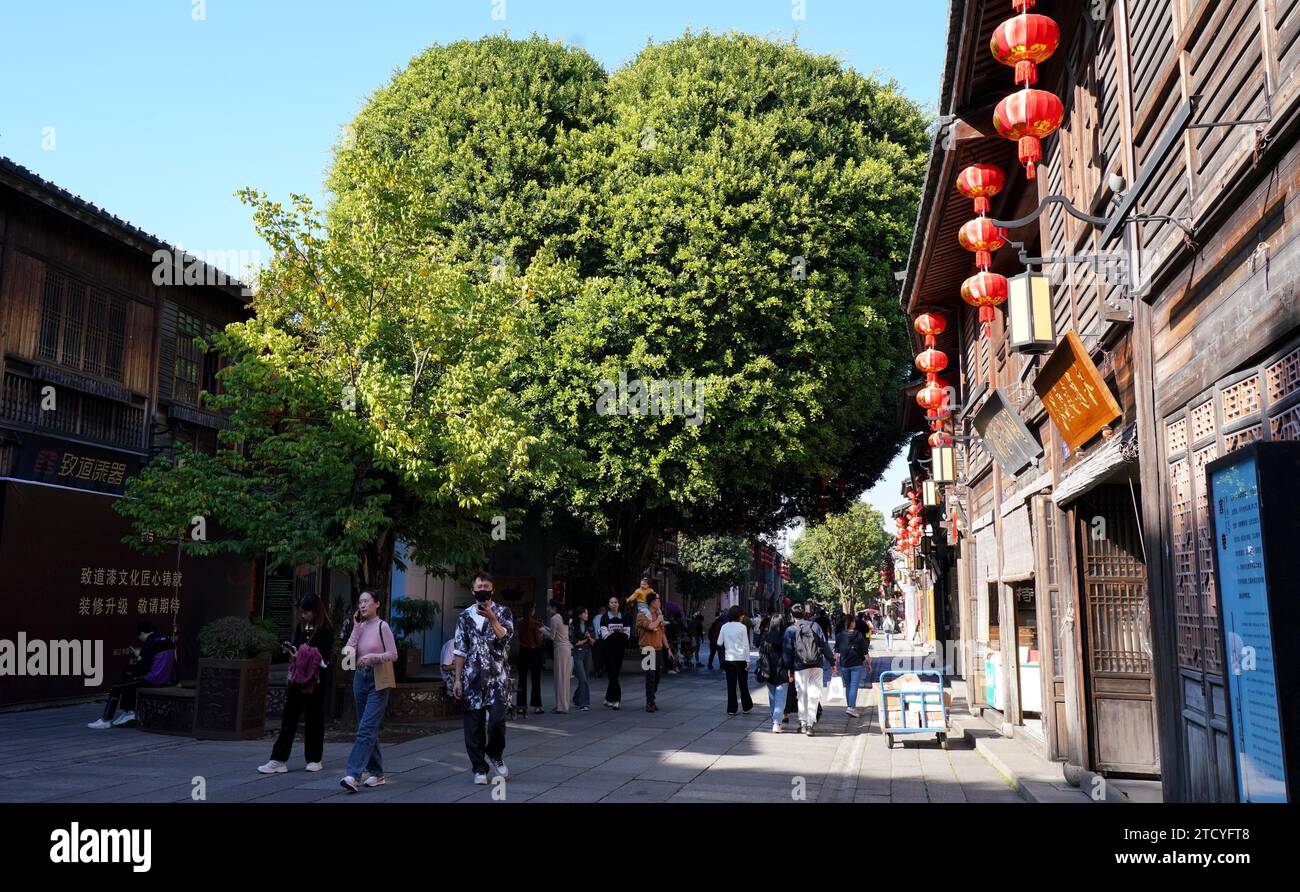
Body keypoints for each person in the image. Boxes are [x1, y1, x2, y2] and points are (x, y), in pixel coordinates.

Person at [452, 571, 515, 785]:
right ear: (472, 591)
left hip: (498, 676)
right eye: (479, 587)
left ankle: (495, 754)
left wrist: (493, 618)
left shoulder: (503, 611)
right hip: (472, 677)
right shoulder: (464, 617)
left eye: (486, 587)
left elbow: (506, 638)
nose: (482, 591)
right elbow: (460, 650)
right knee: (473, 725)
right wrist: (458, 679)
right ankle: (479, 767)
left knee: (497, 720)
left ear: (493, 589)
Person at [259, 595, 334, 773]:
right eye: (302, 612)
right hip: (298, 677)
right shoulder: (302, 627)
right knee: (289, 717)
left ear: (315, 611)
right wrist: (293, 649)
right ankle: (278, 759)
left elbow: (323, 656)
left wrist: (302, 651)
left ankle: (314, 758)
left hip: (315, 679)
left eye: (306, 612)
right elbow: (299, 647)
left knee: (314, 719)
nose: (303, 615)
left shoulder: (326, 629)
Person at [340, 591, 398, 792]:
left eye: (366, 601)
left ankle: (353, 774)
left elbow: (393, 654)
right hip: (360, 679)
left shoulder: (383, 626)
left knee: (365, 728)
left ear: (377, 604)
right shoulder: (360, 627)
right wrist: (355, 629)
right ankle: (378, 773)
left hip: (378, 678)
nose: (363, 605)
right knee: (367, 727)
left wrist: (373, 657)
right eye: (360, 602)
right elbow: (347, 657)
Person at [88, 622, 175, 729]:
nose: (141, 640)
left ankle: (106, 719)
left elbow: (142, 669)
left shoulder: (150, 643)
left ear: (142, 633)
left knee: (118, 686)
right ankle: (129, 712)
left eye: (140, 637)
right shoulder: (167, 639)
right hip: (165, 679)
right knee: (128, 680)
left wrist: (139, 656)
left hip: (152, 680)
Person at [783, 602, 832, 736]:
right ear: (804, 614)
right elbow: (824, 644)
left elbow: (787, 651)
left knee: (801, 694)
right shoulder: (815, 626)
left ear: (792, 615)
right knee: (814, 693)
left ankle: (803, 723)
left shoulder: (790, 630)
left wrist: (788, 668)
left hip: (800, 666)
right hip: (817, 664)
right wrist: (832, 662)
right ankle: (810, 723)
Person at [757, 612, 790, 733]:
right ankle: (776, 722)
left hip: (768, 671)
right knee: (781, 698)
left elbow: (761, 654)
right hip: (782, 671)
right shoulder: (786, 637)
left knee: (772, 697)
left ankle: (775, 719)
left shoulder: (766, 637)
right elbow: (789, 656)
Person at [636, 591, 668, 712]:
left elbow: (662, 633)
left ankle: (651, 698)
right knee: (650, 676)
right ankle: (649, 702)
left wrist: (668, 649)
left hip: (658, 648)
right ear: (652, 602)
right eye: (658, 600)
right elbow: (650, 627)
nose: (660, 602)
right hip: (647, 648)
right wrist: (659, 619)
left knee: (657, 677)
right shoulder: (642, 614)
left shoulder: (658, 614)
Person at [719, 605, 754, 716]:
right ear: (739, 615)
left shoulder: (724, 627)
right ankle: (746, 706)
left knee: (731, 685)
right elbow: (746, 645)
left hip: (729, 659)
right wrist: (748, 661)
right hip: (741, 659)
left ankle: (732, 709)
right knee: (743, 684)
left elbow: (719, 643)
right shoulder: (742, 627)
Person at [596, 596, 629, 709]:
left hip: (620, 650)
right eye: (611, 602)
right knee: (613, 673)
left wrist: (614, 632)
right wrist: (619, 632)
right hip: (608, 650)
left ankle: (608, 698)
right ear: (609, 605)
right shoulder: (604, 617)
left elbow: (627, 634)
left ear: (618, 604)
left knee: (614, 674)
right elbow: (605, 636)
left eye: (616, 602)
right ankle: (617, 699)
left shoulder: (623, 616)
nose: (614, 604)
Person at [835, 614, 869, 719]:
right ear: (851, 623)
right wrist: (869, 663)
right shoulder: (858, 634)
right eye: (854, 621)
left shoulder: (840, 635)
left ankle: (850, 706)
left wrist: (835, 665)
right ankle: (851, 708)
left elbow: (836, 651)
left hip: (844, 664)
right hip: (856, 663)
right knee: (854, 686)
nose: (855, 623)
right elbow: (865, 651)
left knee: (848, 685)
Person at [516, 603, 545, 715]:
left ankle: (520, 706)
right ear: (532, 610)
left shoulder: (520, 623)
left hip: (523, 651)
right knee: (535, 679)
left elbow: (519, 637)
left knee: (522, 680)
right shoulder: (535, 623)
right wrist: (541, 636)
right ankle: (537, 706)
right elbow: (538, 640)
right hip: (533, 651)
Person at [548, 601, 572, 713]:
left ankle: (561, 706)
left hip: (560, 649)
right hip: (567, 648)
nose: (548, 609)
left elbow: (552, 636)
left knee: (559, 678)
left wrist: (542, 630)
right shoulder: (564, 617)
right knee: (565, 678)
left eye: (550, 607)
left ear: (554, 608)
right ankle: (563, 704)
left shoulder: (554, 619)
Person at [570, 605, 595, 710]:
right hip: (577, 653)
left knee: (585, 678)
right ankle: (584, 704)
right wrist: (586, 639)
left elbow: (593, 642)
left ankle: (576, 698)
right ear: (580, 615)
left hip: (588, 652)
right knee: (582, 678)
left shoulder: (590, 624)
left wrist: (590, 638)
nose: (587, 615)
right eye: (585, 613)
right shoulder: (573, 625)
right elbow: (575, 643)